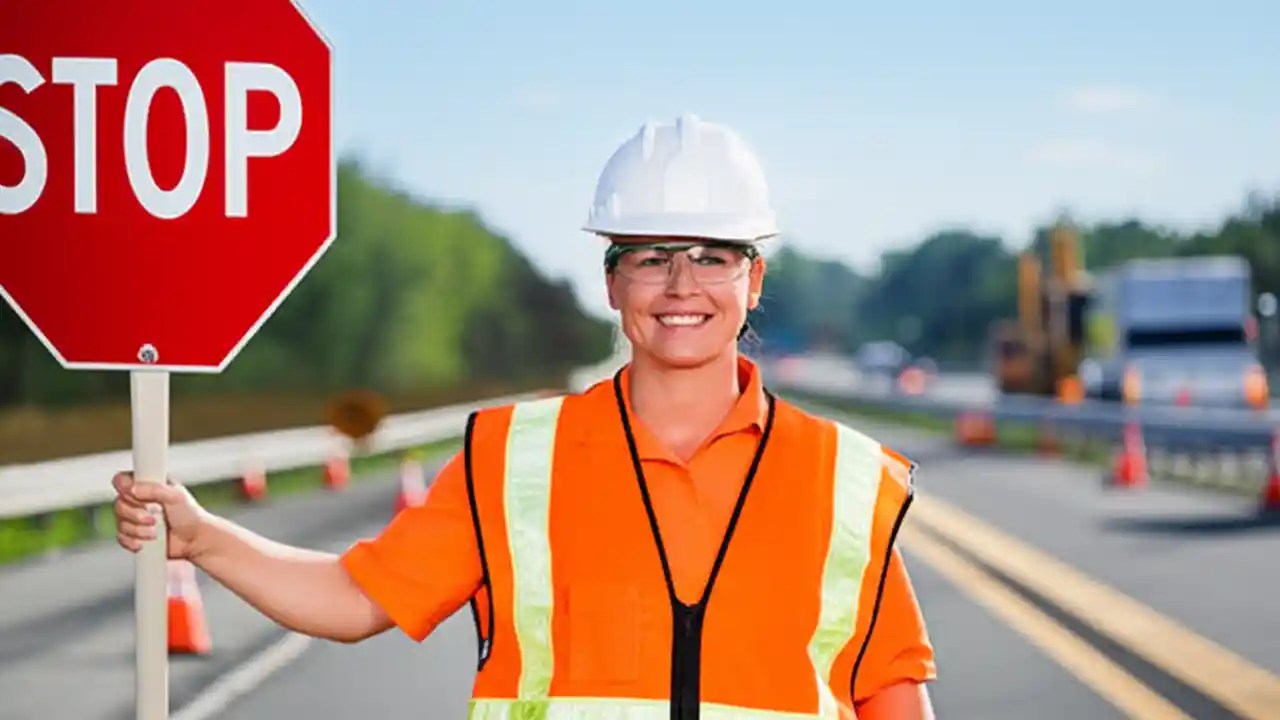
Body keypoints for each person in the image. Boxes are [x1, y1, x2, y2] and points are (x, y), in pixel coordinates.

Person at [112, 113, 937, 719]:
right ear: (612, 284)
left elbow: (892, 698)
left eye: (712, 258)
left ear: (753, 282)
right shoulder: (514, 462)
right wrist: (202, 537)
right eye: (651, 258)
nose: (682, 287)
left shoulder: (843, 477)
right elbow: (353, 600)